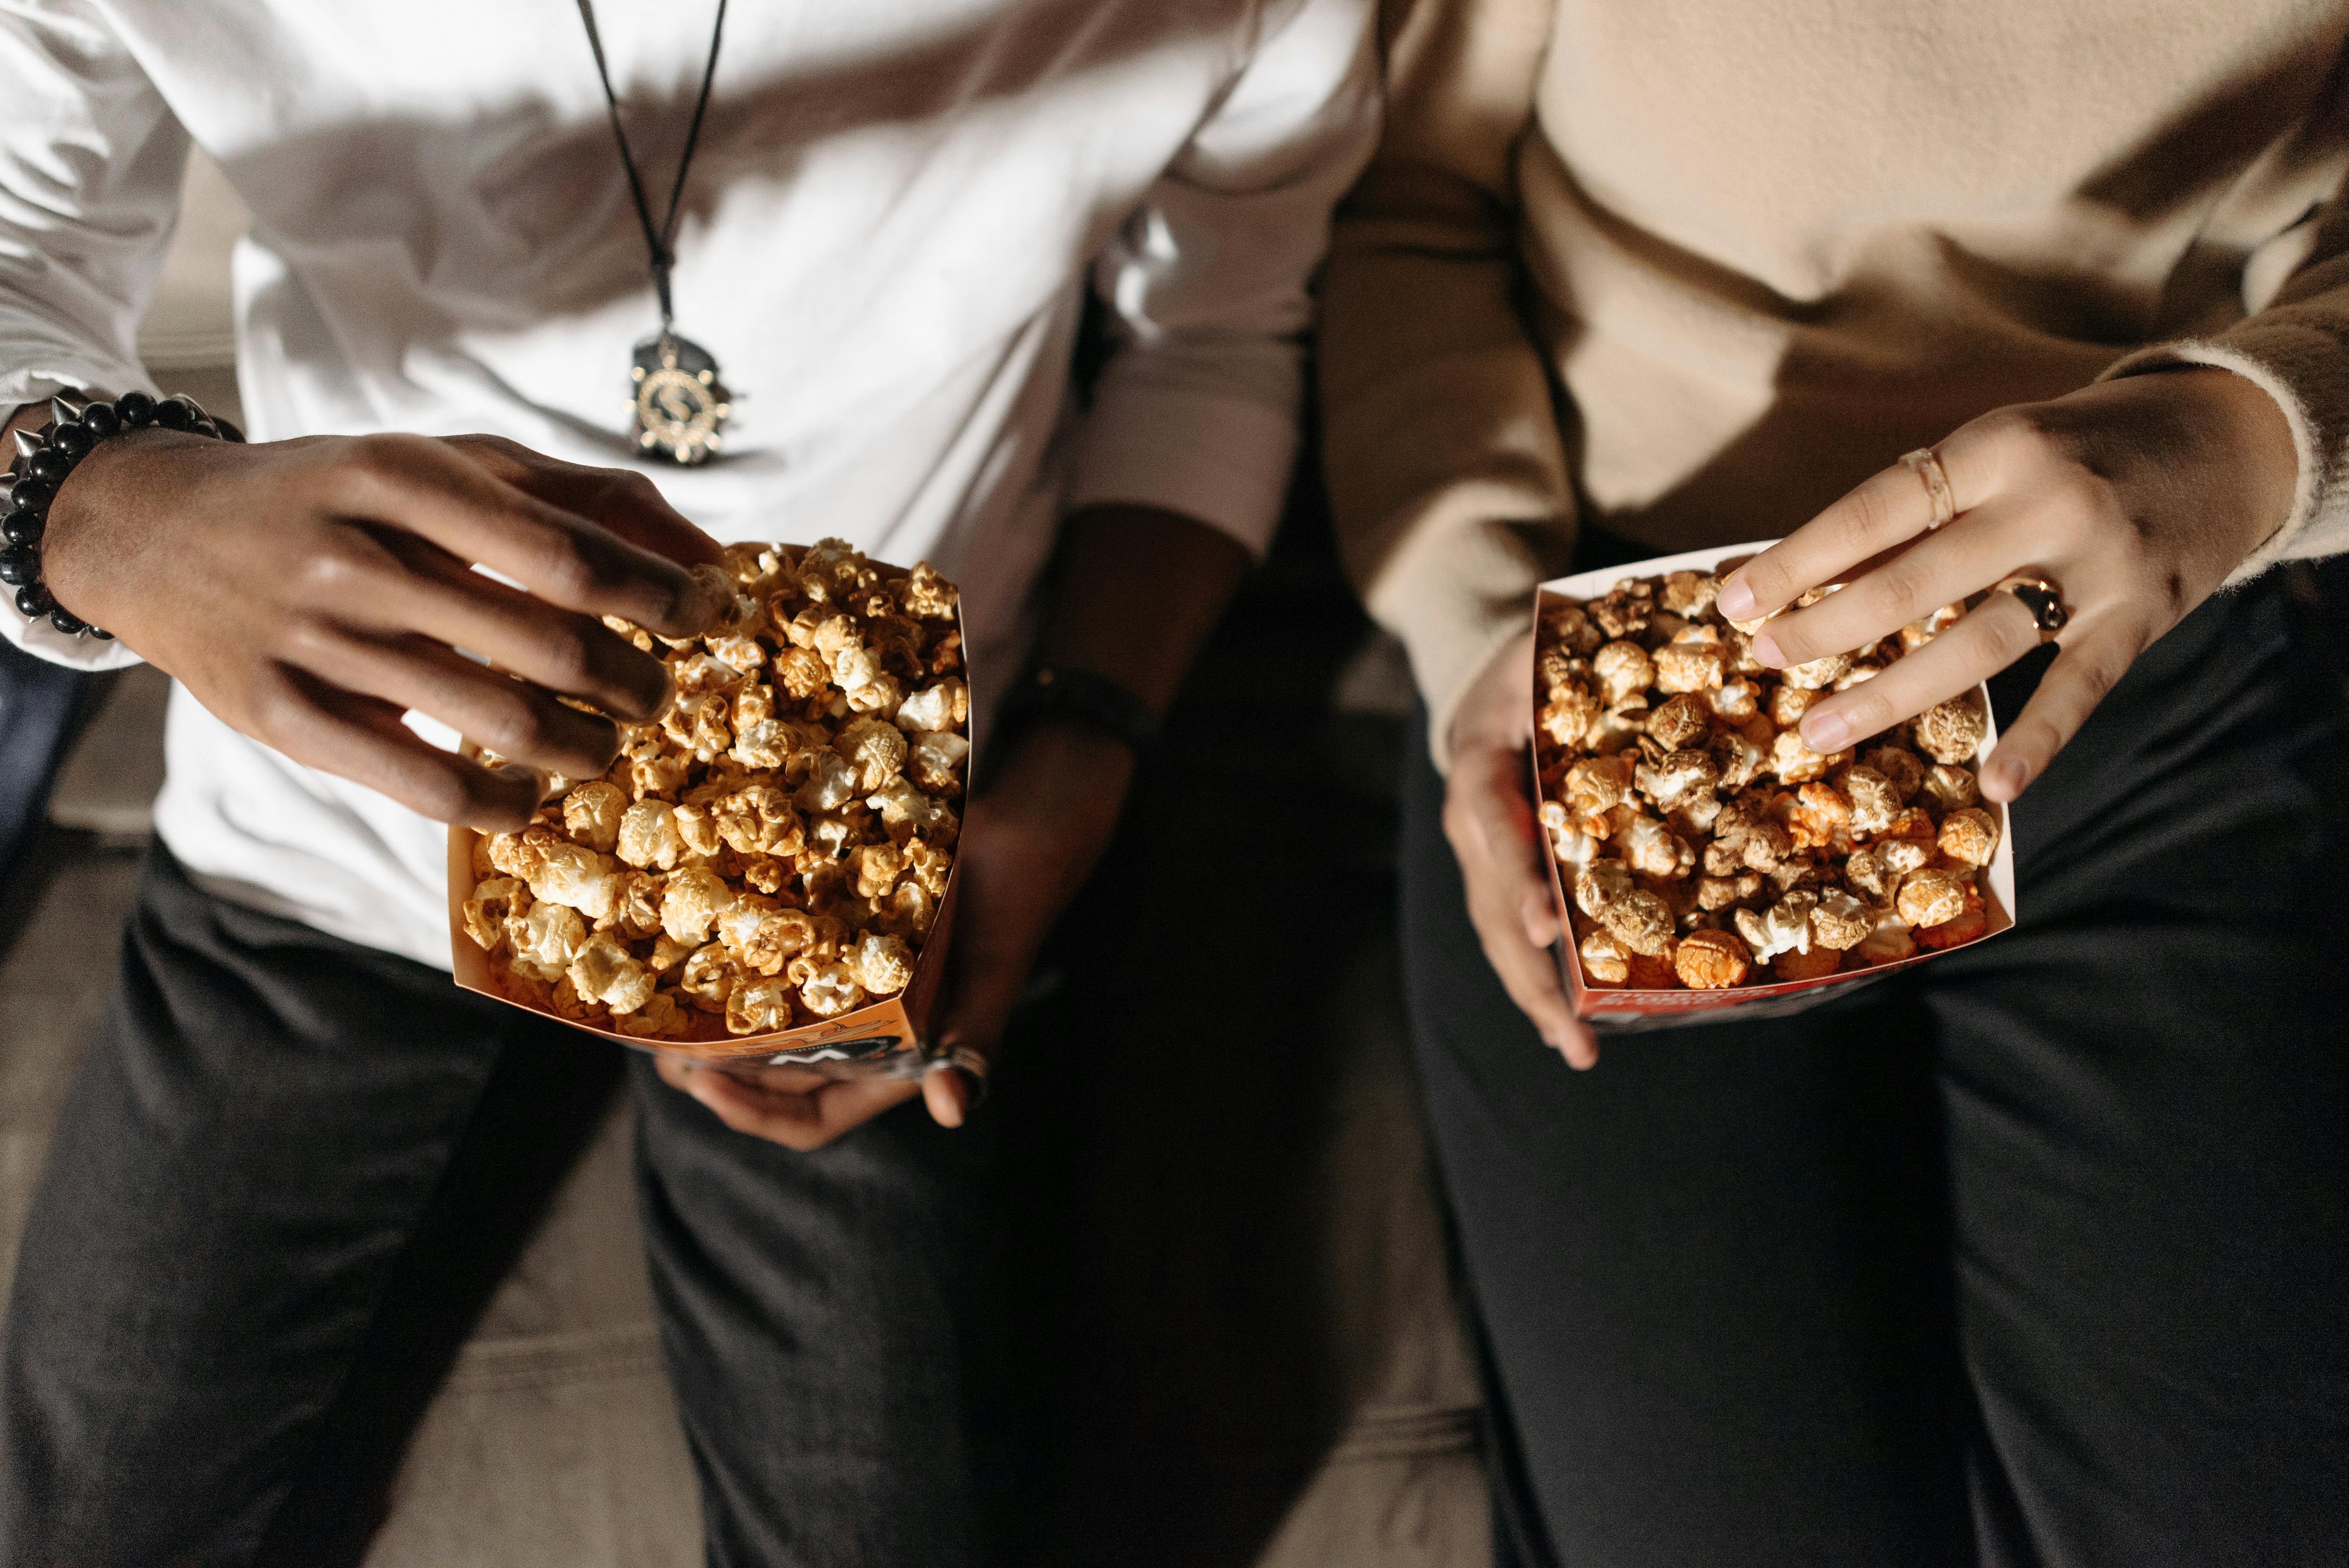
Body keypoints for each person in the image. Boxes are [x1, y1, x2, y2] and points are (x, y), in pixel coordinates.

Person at [0, 3, 1376, 1563]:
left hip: (870, 855)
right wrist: (99, 510)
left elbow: (1220, 334)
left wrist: (1072, 770)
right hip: (329, 826)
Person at [1320, 1, 2349, 1564]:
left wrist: (2240, 443)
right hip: (1621, 660)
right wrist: (1481, 618)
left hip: (2144, 650)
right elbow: (1408, 200)